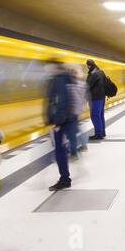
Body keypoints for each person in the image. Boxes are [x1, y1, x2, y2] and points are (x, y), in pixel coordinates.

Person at [45, 60, 74, 191]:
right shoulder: (65, 78)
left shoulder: (60, 79)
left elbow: (61, 100)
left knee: (59, 151)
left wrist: (57, 121)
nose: (45, 68)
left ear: (53, 67)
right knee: (60, 149)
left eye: (47, 65)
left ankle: (64, 179)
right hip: (63, 119)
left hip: (60, 121)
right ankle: (64, 178)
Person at [66, 64, 88, 159]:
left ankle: (73, 152)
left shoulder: (69, 85)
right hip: (77, 110)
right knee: (76, 129)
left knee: (72, 132)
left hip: (71, 111)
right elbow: (84, 97)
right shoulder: (81, 84)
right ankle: (83, 145)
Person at [85, 59, 109, 140]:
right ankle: (102, 132)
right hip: (102, 97)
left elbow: (88, 85)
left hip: (95, 98)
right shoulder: (101, 72)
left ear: (89, 65)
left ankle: (98, 134)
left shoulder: (93, 73)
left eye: (87, 66)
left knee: (95, 116)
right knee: (100, 115)